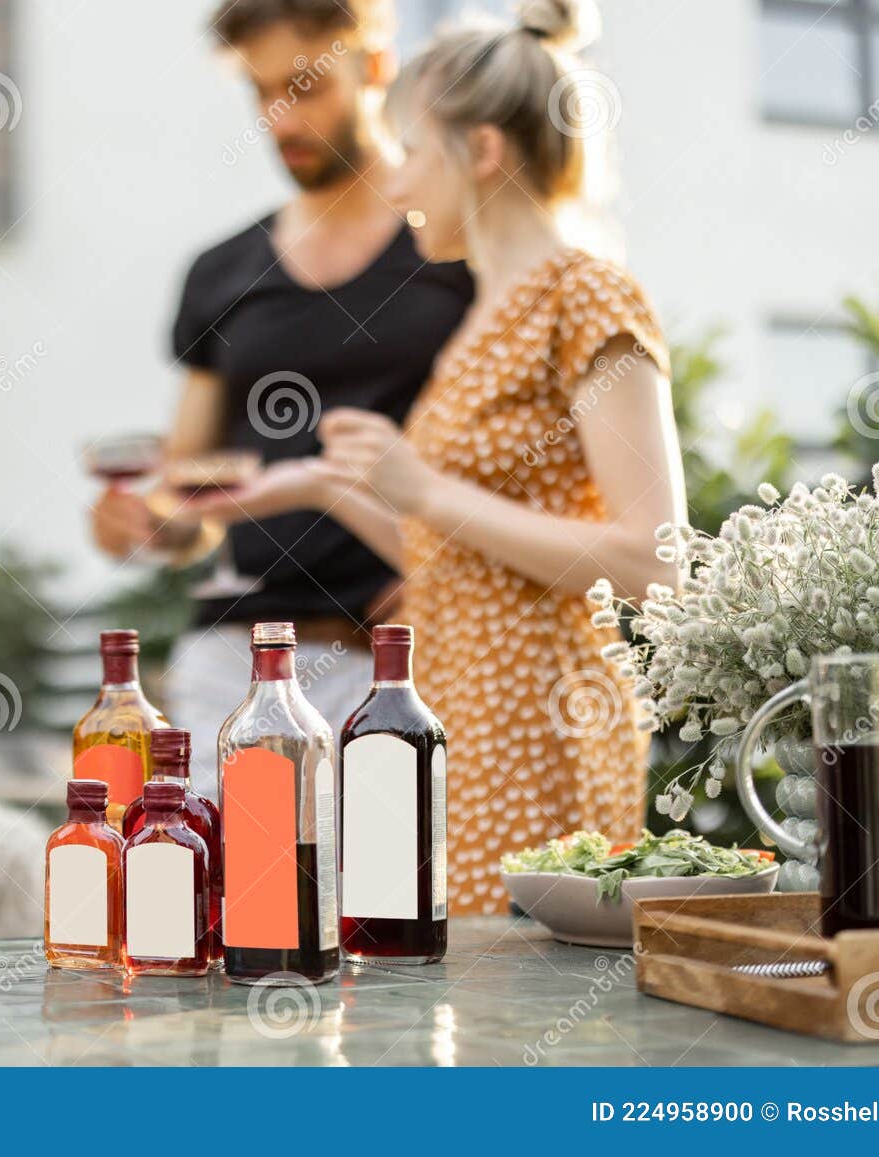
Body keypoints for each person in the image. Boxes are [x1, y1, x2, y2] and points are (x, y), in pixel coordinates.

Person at [318, 0, 687, 914]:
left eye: (408, 147)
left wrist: (425, 488)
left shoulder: (585, 296)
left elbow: (657, 561)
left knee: (528, 1032)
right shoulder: (482, 312)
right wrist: (333, 491)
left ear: (482, 151)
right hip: (457, 723)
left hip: (542, 727)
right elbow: (462, 556)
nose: (393, 176)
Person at [90, 0, 474, 799]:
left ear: (376, 68)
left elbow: (508, 456)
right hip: (235, 661)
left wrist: (453, 569)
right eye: (260, 93)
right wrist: (145, 521)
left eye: (306, 88)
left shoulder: (454, 252)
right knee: (220, 905)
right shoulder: (220, 273)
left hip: (401, 661)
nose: (279, 118)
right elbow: (192, 496)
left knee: (389, 914)